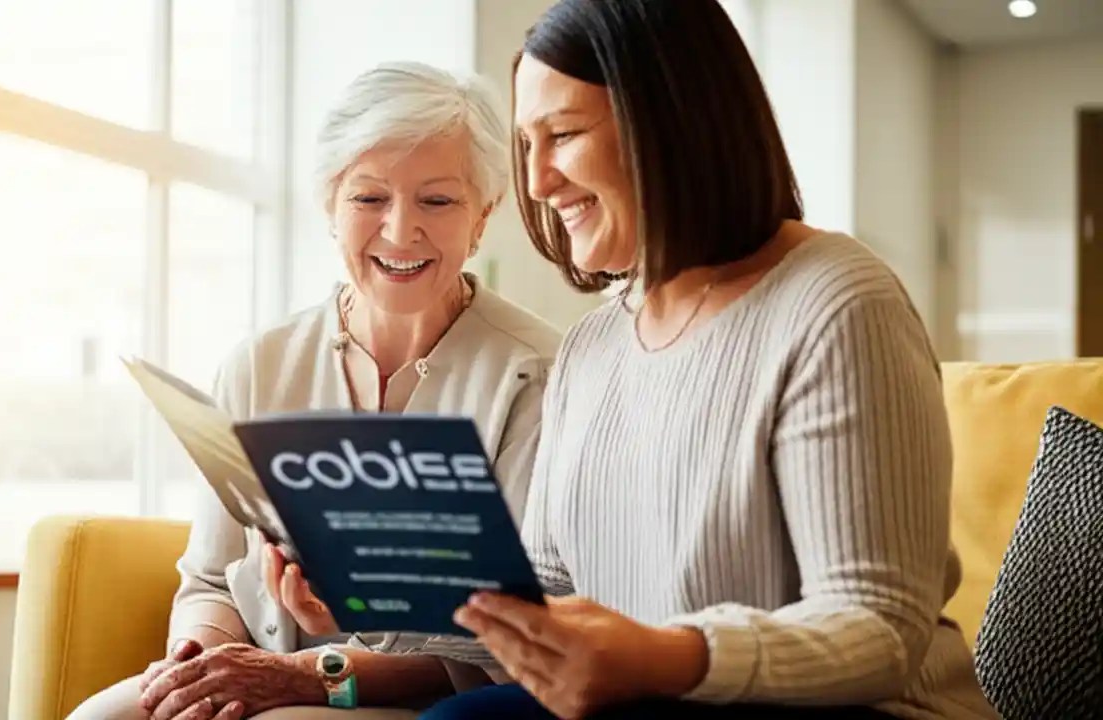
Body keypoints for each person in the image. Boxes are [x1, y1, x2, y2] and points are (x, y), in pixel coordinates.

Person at [424, 1, 1002, 718]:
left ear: (671, 122)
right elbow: (553, 597)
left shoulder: (838, 302)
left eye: (563, 135)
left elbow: (879, 627)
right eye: (527, 144)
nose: (537, 182)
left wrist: (660, 656)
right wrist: (386, 603)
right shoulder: (591, 347)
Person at [66, 61, 561, 720]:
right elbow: (210, 579)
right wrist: (199, 666)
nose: (399, 231)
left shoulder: (537, 374)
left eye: (438, 201)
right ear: (330, 208)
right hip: (260, 672)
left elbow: (516, 635)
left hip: (422, 697)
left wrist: (305, 674)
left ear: (482, 217)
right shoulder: (259, 364)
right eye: (368, 199)